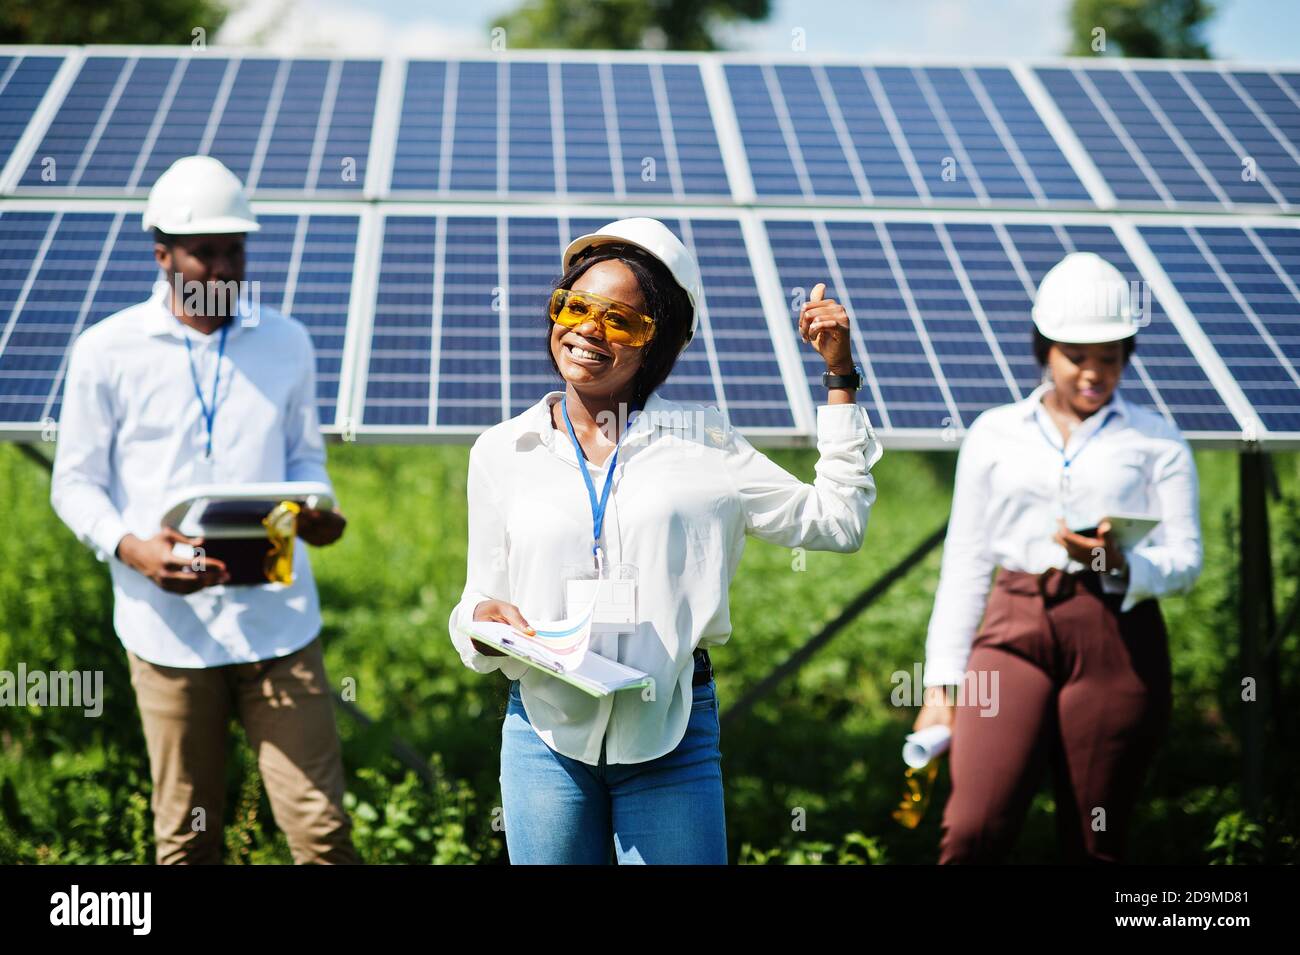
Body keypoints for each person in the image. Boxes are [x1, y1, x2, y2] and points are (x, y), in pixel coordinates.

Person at [448, 217, 881, 864]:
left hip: (670, 733)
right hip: (544, 733)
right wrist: (481, 619)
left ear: (659, 342)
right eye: (576, 306)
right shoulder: (502, 451)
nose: (590, 330)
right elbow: (477, 599)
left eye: (622, 320)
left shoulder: (705, 443)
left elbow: (838, 521)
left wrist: (840, 377)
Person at [50, 155, 359, 864]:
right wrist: (134, 549)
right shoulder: (107, 350)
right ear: (162, 254)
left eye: (235, 250)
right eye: (204, 251)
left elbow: (305, 459)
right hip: (168, 634)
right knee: (188, 842)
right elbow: (74, 483)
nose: (223, 268)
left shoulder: (287, 342)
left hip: (279, 624)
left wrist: (318, 508)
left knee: (321, 835)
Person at [913, 251, 1202, 864]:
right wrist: (941, 687)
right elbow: (965, 561)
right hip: (1012, 625)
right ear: (1045, 350)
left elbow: (1187, 559)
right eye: (1077, 356)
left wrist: (1117, 564)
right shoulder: (995, 432)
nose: (1094, 374)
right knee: (974, 829)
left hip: (1115, 636)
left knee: (1095, 842)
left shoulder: (1156, 440)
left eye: (1110, 358)